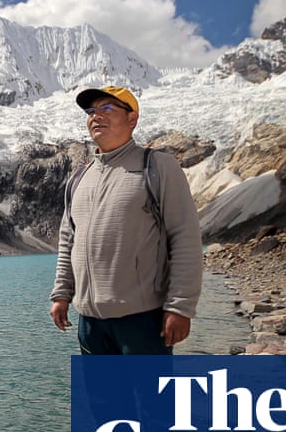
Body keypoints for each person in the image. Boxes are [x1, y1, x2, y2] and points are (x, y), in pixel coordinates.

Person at [49, 86, 202, 355]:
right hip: (90, 322)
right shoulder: (79, 177)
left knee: (149, 398)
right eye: (91, 111)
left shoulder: (156, 166)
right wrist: (62, 294)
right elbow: (68, 241)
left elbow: (184, 237)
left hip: (142, 319)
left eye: (107, 108)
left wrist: (180, 307)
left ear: (132, 119)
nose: (97, 116)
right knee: (102, 399)